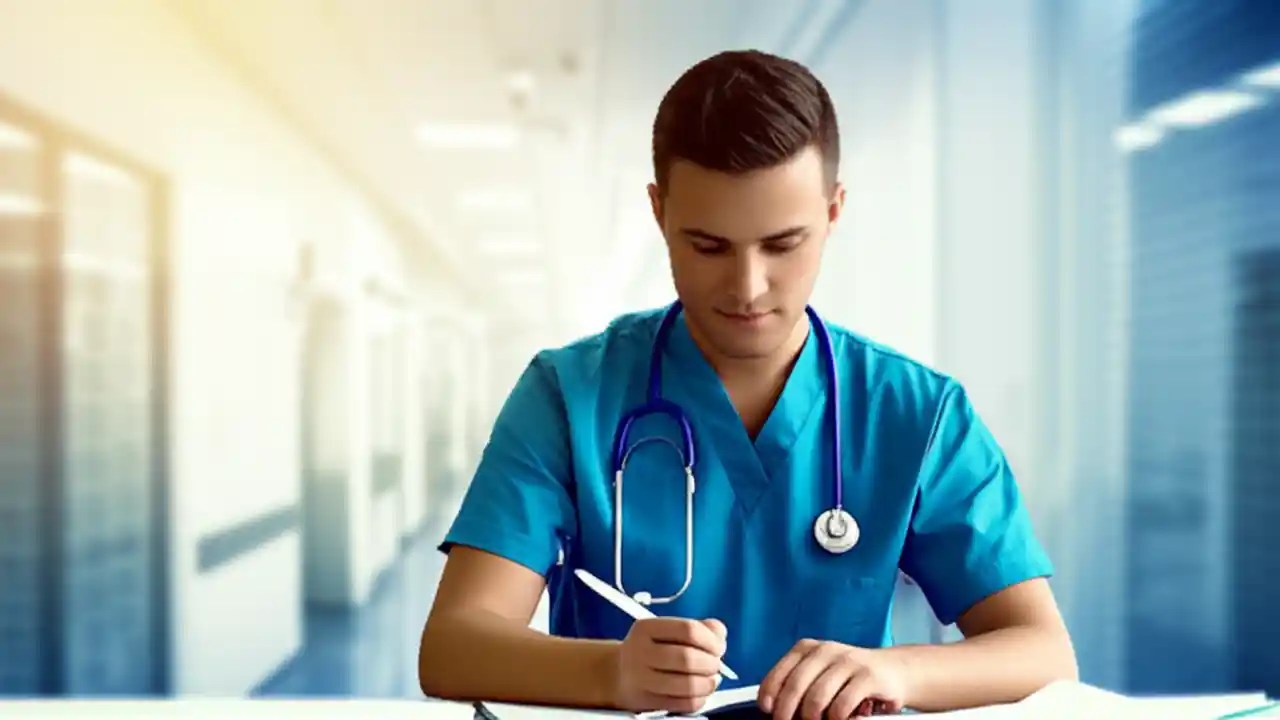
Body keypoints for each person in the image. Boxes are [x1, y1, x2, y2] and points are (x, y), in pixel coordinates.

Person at [418, 49, 1077, 718]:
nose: (748, 287)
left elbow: (1042, 651)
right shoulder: (568, 396)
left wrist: (894, 671)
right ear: (659, 212)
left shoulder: (917, 414)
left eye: (783, 243)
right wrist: (611, 671)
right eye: (708, 246)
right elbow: (452, 645)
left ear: (834, 211)